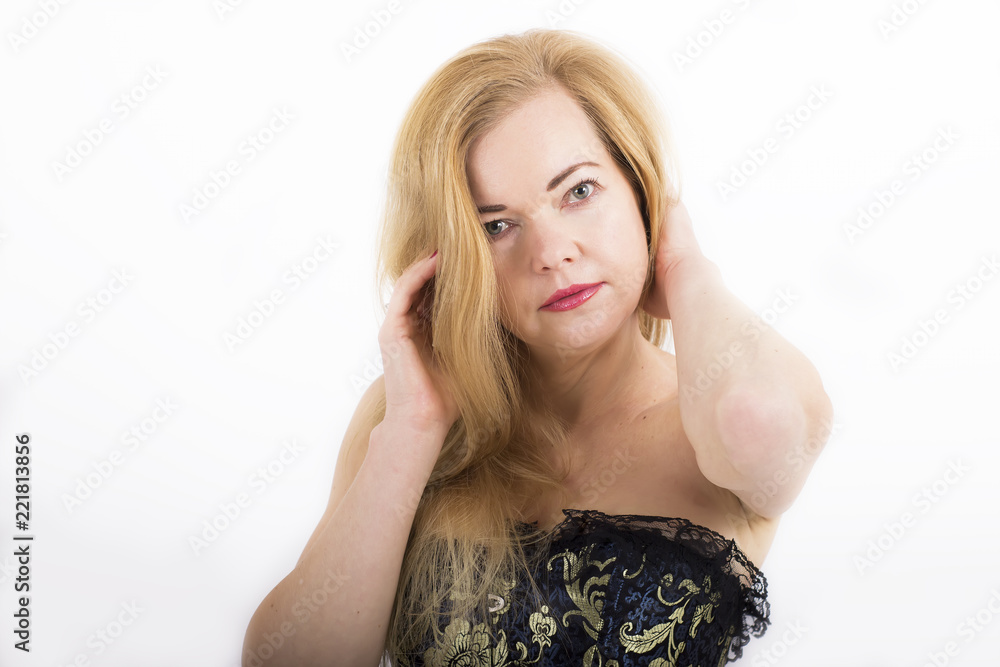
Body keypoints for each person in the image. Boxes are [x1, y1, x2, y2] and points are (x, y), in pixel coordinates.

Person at [242, 28, 833, 667]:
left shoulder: (718, 413)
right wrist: (413, 431)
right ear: (450, 260)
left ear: (640, 192)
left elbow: (758, 421)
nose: (552, 255)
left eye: (578, 192)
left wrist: (685, 268)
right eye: (496, 226)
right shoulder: (405, 422)